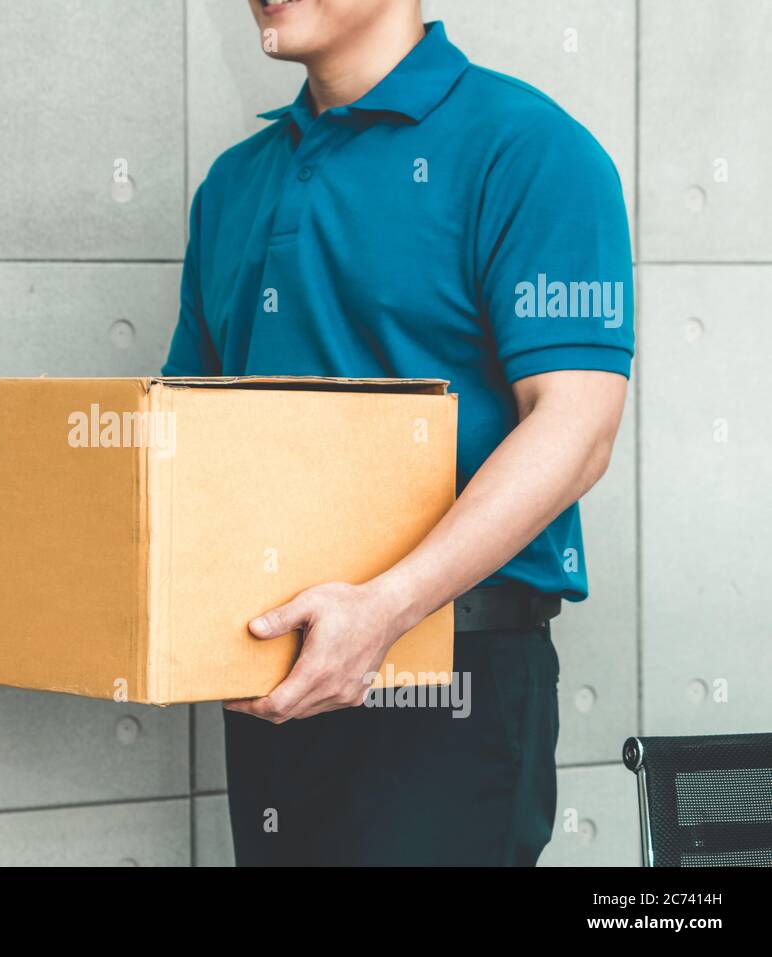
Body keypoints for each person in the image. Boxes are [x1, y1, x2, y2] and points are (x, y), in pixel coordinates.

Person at [163, 0, 633, 865]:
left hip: (454, 680)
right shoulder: (233, 185)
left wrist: (384, 609)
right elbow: (188, 437)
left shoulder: (530, 149)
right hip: (270, 673)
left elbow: (576, 427)